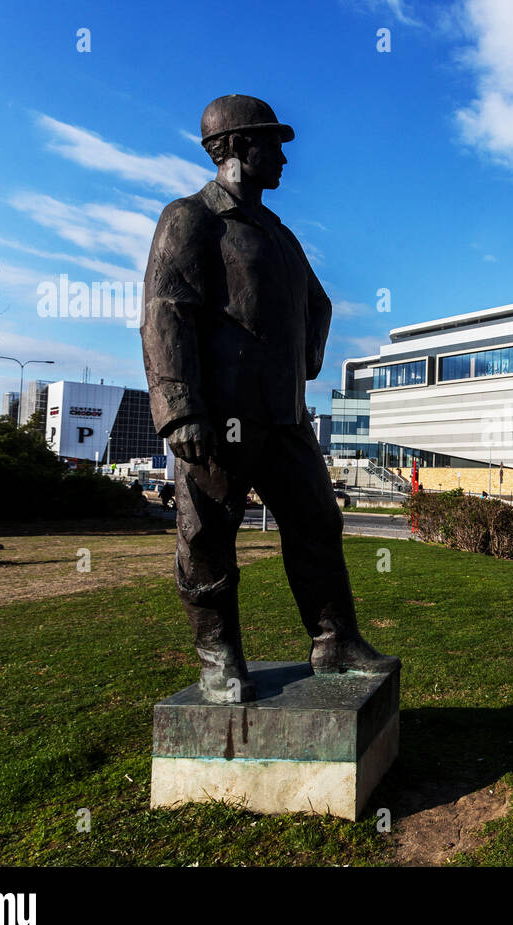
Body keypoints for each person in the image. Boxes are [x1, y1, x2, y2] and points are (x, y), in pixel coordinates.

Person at [141, 94, 398, 704]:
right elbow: (165, 312)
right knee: (206, 537)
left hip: (284, 416)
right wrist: (178, 407)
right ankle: (218, 658)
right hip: (217, 418)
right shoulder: (190, 219)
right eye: (272, 143)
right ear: (234, 148)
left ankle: (334, 640)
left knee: (317, 523)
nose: (283, 156)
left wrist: (301, 362)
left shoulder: (279, 235)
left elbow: (319, 302)